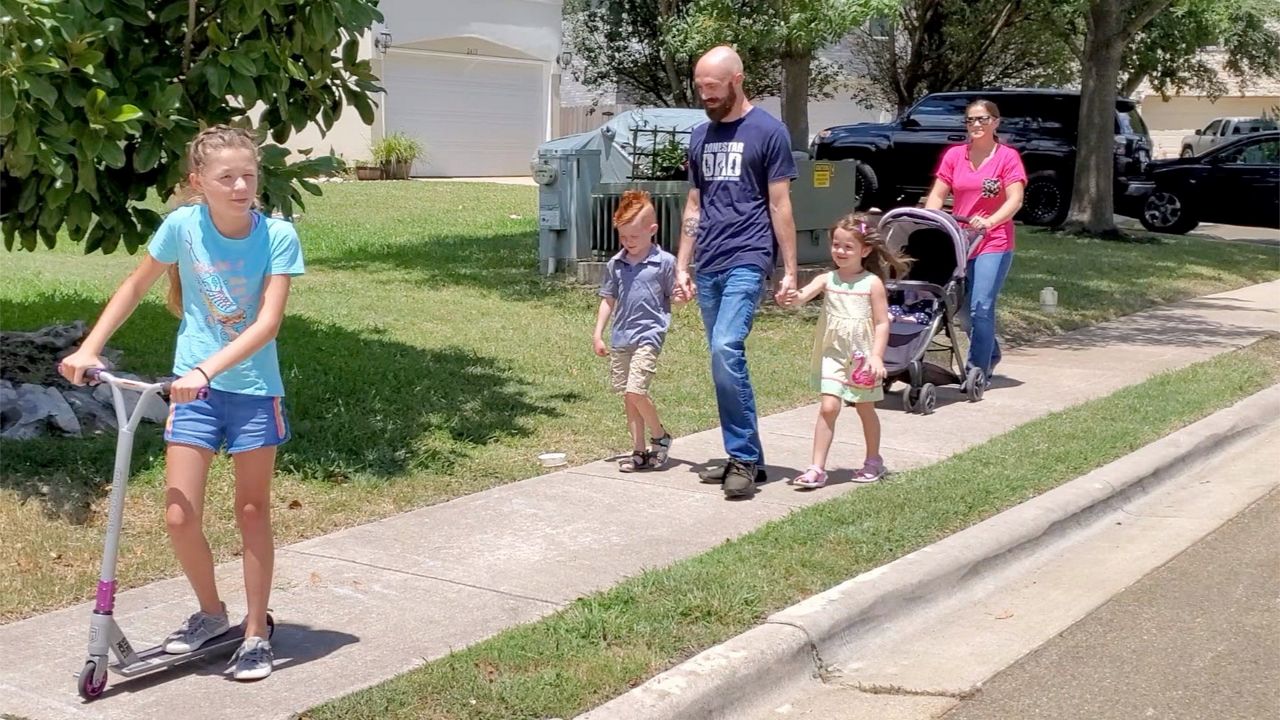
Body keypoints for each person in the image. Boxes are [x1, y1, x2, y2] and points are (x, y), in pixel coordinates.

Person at [59, 124, 304, 681]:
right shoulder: (181, 226)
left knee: (251, 510)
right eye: (227, 177)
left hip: (251, 391)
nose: (241, 186)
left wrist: (205, 369)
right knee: (178, 512)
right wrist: (89, 347)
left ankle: (256, 632)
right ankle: (212, 613)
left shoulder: (278, 236)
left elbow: (267, 324)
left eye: (249, 175)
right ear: (199, 182)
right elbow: (135, 285)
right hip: (192, 390)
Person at [675, 45, 799, 499]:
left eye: (713, 87)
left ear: (737, 79)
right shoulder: (698, 136)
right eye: (700, 88)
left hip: (748, 257)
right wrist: (681, 266)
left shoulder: (768, 131)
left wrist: (789, 271)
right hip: (707, 262)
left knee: (727, 348)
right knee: (720, 360)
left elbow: (780, 203)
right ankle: (745, 456)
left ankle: (743, 458)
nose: (706, 96)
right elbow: (695, 204)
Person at [780, 214, 903, 488]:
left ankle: (873, 460)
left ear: (865, 250)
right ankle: (816, 468)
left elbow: (882, 323)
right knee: (828, 406)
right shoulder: (827, 279)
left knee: (864, 407)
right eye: (836, 244)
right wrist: (788, 298)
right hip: (832, 354)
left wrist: (876, 356)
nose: (840, 251)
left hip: (862, 358)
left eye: (848, 246)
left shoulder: (872, 283)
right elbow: (800, 297)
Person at [923, 99, 1025, 389]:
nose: (976, 125)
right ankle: (990, 351)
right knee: (964, 313)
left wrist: (991, 221)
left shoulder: (1007, 157)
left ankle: (977, 370)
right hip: (961, 240)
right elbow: (938, 194)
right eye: (970, 120)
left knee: (982, 307)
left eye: (982, 119)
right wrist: (931, 218)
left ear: (995, 121)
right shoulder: (955, 156)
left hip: (994, 240)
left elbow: (1014, 199)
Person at [593, 189, 681, 471]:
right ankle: (638, 449)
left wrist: (682, 295)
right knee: (628, 396)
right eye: (623, 237)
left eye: (634, 237)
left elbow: (674, 295)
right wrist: (598, 333)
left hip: (649, 335)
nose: (628, 242)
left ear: (652, 230)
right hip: (621, 337)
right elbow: (609, 299)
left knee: (636, 390)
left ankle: (660, 436)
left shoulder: (664, 262)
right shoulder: (615, 264)